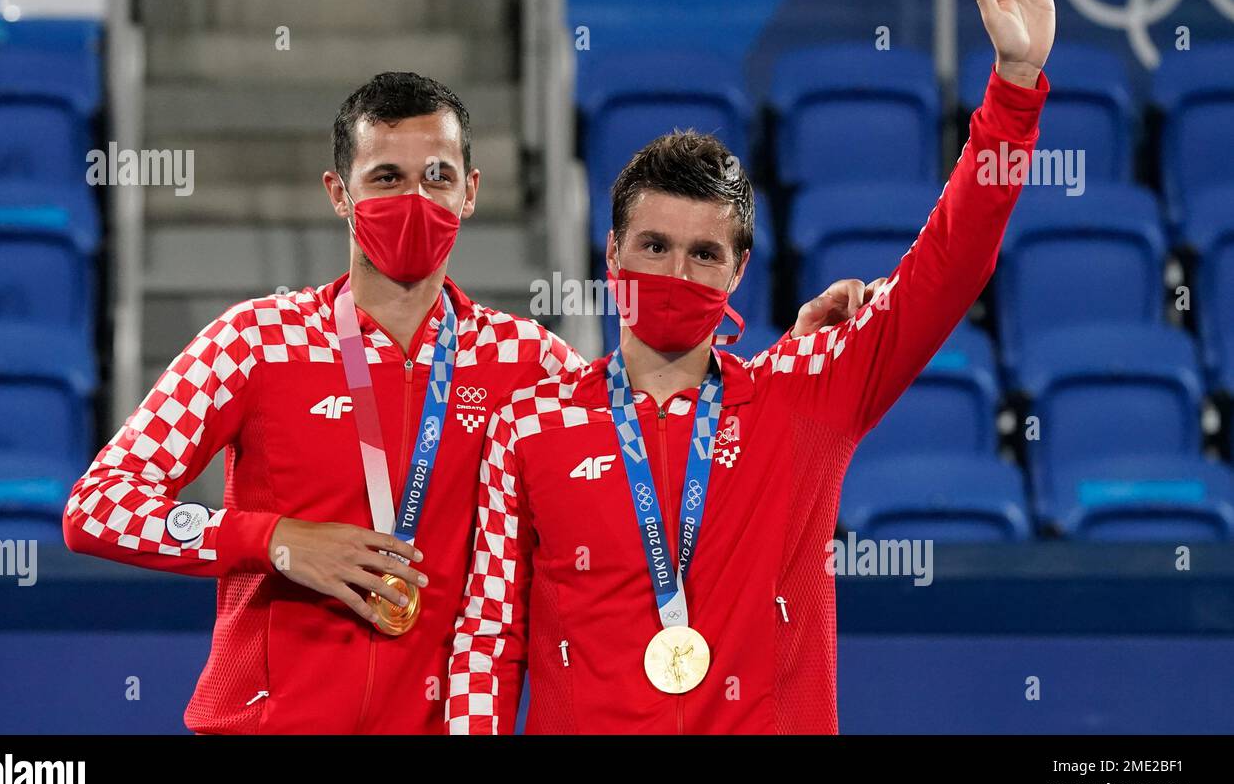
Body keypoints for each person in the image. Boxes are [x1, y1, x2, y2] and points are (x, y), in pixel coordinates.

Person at [63, 71, 873, 733]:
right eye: (386, 177)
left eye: (437, 176)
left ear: (472, 191)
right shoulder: (255, 340)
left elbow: (653, 429)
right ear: (339, 194)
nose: (414, 198)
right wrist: (273, 540)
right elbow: (97, 508)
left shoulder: (528, 363)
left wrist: (784, 363)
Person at [446, 0, 1058, 734]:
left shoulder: (805, 395)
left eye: (704, 254)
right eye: (654, 246)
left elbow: (951, 267)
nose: (674, 271)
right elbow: (487, 642)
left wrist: (1014, 90)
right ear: (612, 256)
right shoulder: (528, 425)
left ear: (740, 271)